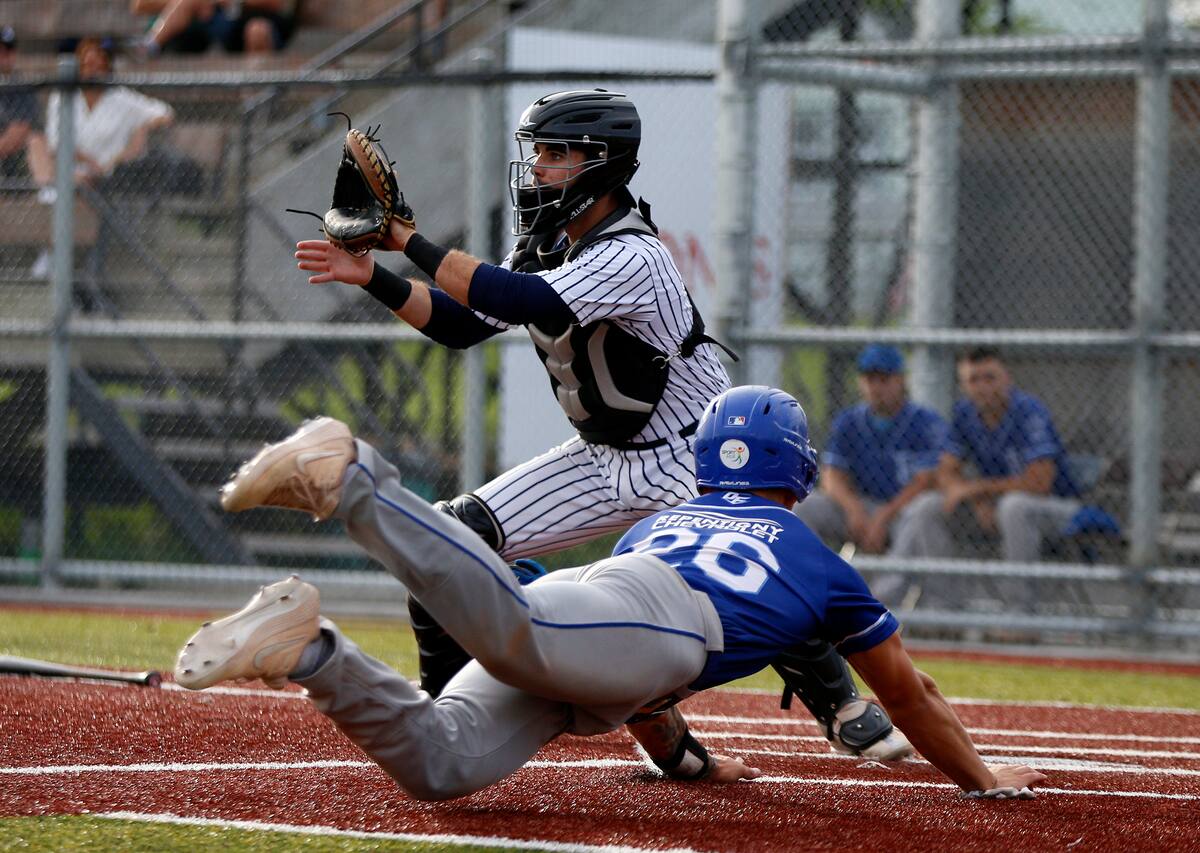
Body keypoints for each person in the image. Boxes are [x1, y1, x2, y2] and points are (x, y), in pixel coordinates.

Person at [293, 89, 907, 760]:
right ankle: (445, 717)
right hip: (600, 458)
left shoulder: (632, 255)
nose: (539, 168)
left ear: (601, 163)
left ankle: (840, 700)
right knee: (446, 540)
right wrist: (376, 273)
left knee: (748, 570)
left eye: (557, 154)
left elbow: (518, 297)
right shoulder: (549, 242)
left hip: (685, 458)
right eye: (540, 153)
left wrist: (407, 237)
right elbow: (462, 322)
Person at [173, 385, 1046, 803]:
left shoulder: (663, 520)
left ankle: (312, 650)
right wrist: (982, 775)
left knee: (440, 764)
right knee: (519, 632)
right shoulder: (818, 557)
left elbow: (636, 681)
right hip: (644, 623)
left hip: (612, 612)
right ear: (799, 465)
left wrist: (680, 758)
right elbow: (910, 691)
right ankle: (357, 476)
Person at [904, 346, 1082, 562]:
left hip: (1056, 506)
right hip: (992, 504)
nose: (983, 387)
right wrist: (977, 500)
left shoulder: (1029, 411)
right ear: (963, 386)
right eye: (973, 380)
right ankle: (941, 595)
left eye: (990, 378)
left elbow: (1040, 483)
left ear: (1007, 379)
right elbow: (945, 471)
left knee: (1014, 506)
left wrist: (977, 490)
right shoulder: (964, 414)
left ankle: (1018, 595)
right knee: (928, 505)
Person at [795, 344, 948, 561]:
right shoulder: (849, 421)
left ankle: (886, 592)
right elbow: (831, 476)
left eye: (884, 380)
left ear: (901, 380)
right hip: (861, 507)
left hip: (903, 511)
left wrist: (883, 517)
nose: (876, 387)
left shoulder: (923, 421)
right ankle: (816, 579)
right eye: (869, 379)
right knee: (807, 505)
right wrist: (854, 510)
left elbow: (926, 481)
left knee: (924, 509)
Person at [27, 36, 174, 198]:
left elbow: (165, 113)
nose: (92, 72)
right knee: (36, 143)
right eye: (87, 65)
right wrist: (89, 162)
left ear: (107, 67)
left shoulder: (122, 98)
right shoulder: (62, 97)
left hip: (109, 177)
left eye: (98, 66)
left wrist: (142, 129)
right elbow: (56, 142)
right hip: (68, 171)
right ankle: (51, 192)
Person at [130, 0, 300, 57]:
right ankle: (148, 47)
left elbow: (277, 3)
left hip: (259, 24)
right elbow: (139, 5)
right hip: (210, 24)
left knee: (257, 30)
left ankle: (258, 95)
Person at [0, 26, 38, 183]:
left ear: (13, 54)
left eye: (6, 51)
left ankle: (46, 195)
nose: (2, 57)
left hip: (15, 159)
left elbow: (20, 131)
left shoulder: (22, 86)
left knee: (36, 141)